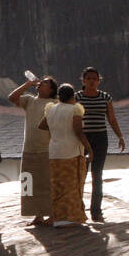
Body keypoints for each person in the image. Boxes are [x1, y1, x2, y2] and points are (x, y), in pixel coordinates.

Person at [39, 83, 92, 228]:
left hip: (54, 151)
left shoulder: (51, 109)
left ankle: (56, 216)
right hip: (72, 151)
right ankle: (72, 216)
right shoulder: (75, 109)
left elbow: (42, 125)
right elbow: (78, 130)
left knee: (57, 185)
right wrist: (89, 148)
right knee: (73, 184)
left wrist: (56, 128)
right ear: (73, 96)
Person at [76, 67, 125, 222]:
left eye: (94, 79)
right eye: (88, 78)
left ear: (99, 81)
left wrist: (120, 136)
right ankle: (78, 209)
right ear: (83, 80)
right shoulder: (76, 97)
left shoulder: (105, 97)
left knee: (97, 175)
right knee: (80, 175)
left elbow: (111, 118)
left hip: (100, 138)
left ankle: (96, 211)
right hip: (82, 138)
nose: (91, 81)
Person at [8, 75, 56, 226]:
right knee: (29, 183)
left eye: (45, 83)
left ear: (52, 89)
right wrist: (27, 84)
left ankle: (53, 214)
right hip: (29, 148)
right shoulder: (29, 100)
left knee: (47, 183)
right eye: (40, 82)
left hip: (46, 149)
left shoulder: (55, 103)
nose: (40, 83)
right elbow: (12, 97)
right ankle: (38, 215)